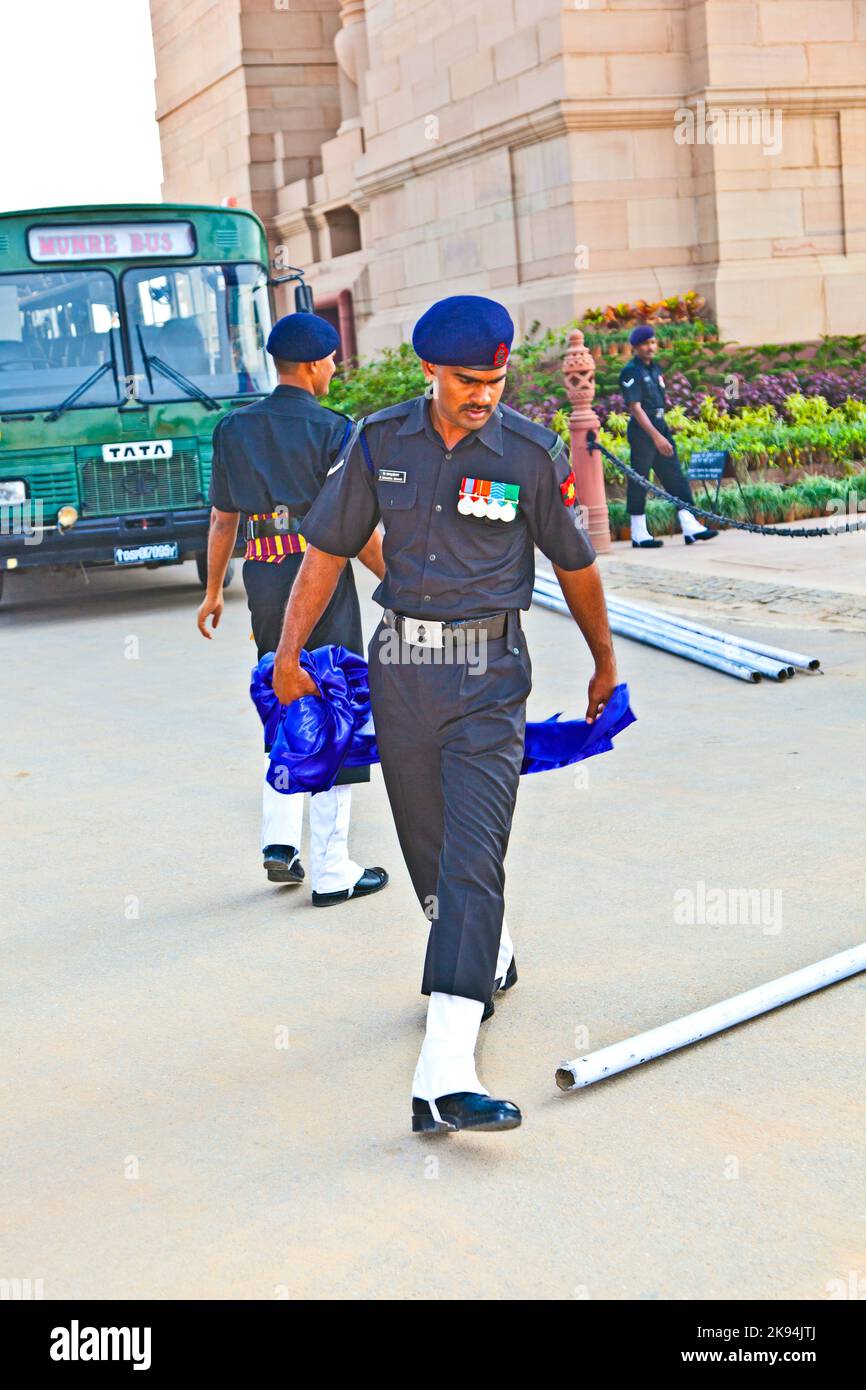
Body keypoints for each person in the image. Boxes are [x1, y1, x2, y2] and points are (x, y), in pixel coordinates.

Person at [268, 294, 618, 1136]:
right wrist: (287, 655)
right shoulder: (379, 442)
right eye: (467, 380)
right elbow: (327, 550)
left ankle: (445, 1069)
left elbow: (575, 568)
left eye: (496, 381)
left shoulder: (530, 454)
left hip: (492, 676)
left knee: (471, 854)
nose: (483, 396)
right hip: (401, 670)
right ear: (431, 369)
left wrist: (606, 661)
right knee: (431, 855)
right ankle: (483, 953)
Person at [196, 311, 389, 908]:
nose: (335, 367)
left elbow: (224, 517)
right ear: (310, 364)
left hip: (265, 580)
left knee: (285, 693)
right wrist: (405, 588)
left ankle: (280, 840)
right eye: (331, 358)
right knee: (334, 707)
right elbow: (350, 531)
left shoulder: (234, 429)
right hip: (320, 580)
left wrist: (210, 590)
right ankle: (333, 869)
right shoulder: (335, 430)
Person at [620, 325, 718, 548]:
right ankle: (638, 533)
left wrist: (664, 430)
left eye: (653, 342)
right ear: (635, 347)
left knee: (675, 476)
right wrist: (656, 437)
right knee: (640, 480)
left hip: (659, 426)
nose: (650, 347)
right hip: (643, 431)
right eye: (645, 343)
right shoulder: (631, 371)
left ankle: (690, 526)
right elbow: (635, 408)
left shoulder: (655, 369)